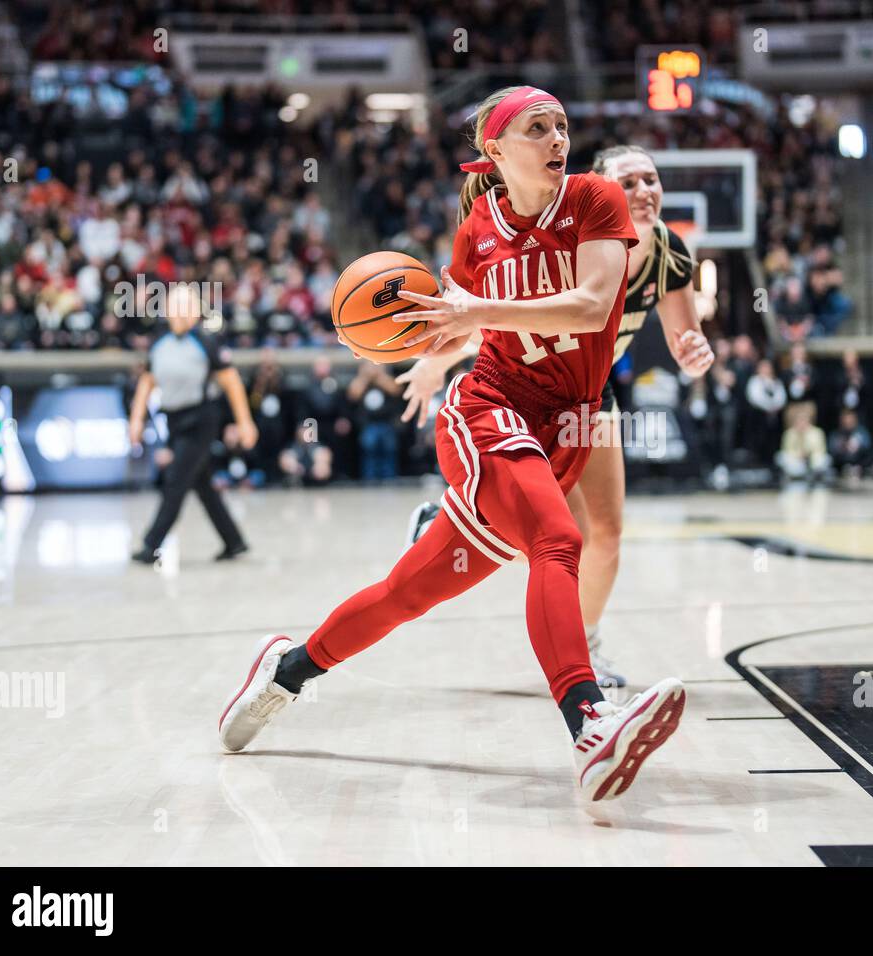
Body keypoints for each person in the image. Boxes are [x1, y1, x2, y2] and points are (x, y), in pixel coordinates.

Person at [218, 86, 686, 801]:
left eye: (562, 125)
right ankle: (591, 726)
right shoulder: (479, 230)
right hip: (487, 412)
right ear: (496, 151)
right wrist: (426, 354)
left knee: (408, 593)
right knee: (559, 541)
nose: (558, 137)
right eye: (539, 128)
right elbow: (458, 321)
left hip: (566, 427)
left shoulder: (596, 200)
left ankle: (285, 671)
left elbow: (594, 307)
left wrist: (473, 312)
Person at [396, 143, 714, 687]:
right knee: (564, 535)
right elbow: (501, 316)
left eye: (651, 180)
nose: (642, 192)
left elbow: (687, 337)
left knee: (607, 534)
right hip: (524, 391)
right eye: (628, 182)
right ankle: (458, 527)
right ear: (603, 190)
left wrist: (694, 354)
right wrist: (434, 365)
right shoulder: (572, 238)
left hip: (588, 398)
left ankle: (585, 646)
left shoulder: (669, 252)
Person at [128, 284, 256, 563]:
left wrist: (245, 423)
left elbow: (231, 382)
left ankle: (151, 545)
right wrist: (136, 419)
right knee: (203, 486)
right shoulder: (159, 344)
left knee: (175, 480)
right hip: (174, 421)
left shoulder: (206, 343)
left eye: (186, 307)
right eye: (176, 307)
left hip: (201, 420)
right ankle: (234, 542)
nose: (181, 313)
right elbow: (147, 382)